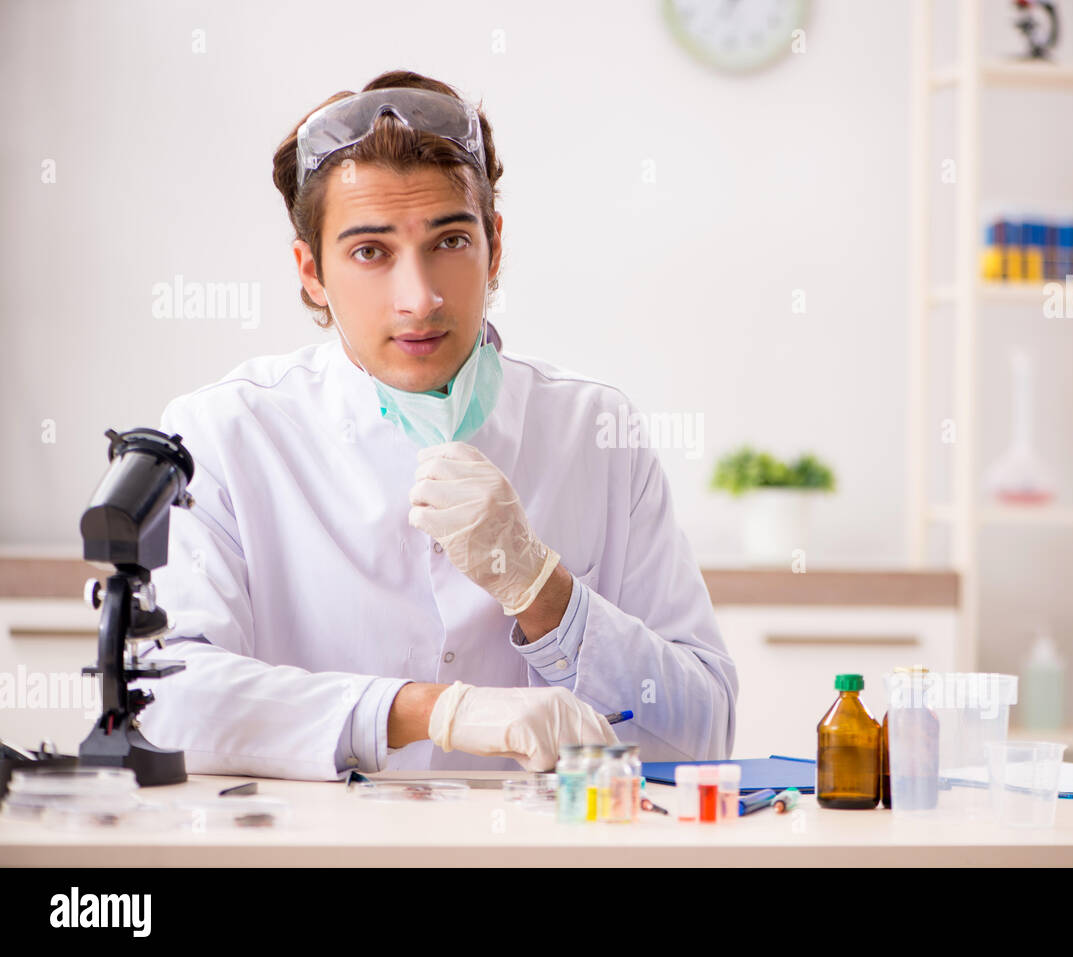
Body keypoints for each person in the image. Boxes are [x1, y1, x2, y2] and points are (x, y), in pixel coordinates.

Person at [138, 70, 738, 780]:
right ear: (310, 272)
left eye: (450, 241)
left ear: (495, 244)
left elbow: (705, 735)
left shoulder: (594, 430)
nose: (418, 298)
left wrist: (548, 595)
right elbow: (168, 702)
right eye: (370, 252)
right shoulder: (226, 434)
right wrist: (435, 711)